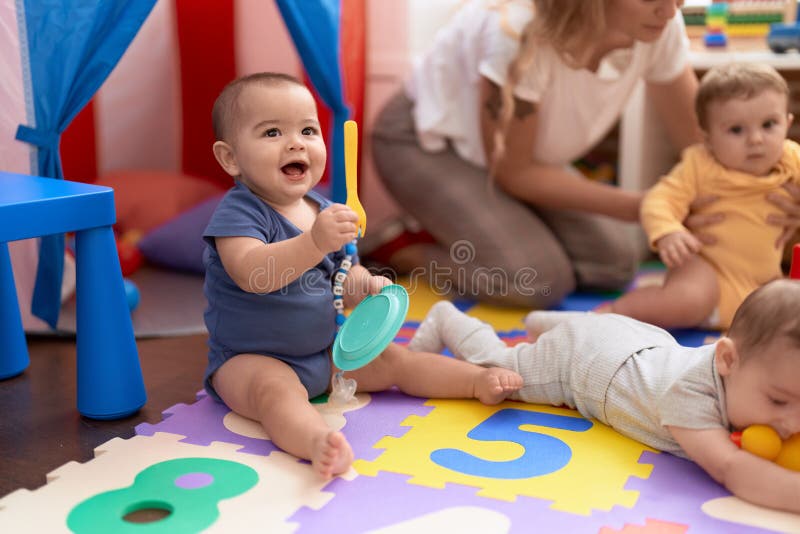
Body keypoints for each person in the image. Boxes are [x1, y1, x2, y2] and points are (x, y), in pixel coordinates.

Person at [202, 72, 523, 479]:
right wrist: (315, 243)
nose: (296, 142)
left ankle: (478, 379)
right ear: (230, 158)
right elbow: (254, 275)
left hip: (326, 352)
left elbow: (338, 279)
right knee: (275, 396)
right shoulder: (239, 214)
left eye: (307, 129)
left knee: (395, 360)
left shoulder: (321, 210)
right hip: (254, 359)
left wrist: (365, 285)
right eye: (271, 132)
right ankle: (317, 442)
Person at [371, 0, 704, 307]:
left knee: (613, 265)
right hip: (424, 140)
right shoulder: (520, 33)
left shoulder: (660, 27)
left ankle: (485, 229)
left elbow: (698, 145)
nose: (670, 12)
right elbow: (514, 173)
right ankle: (407, 250)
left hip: (515, 157)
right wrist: (639, 206)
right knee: (537, 281)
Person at [409, 279, 800, 513]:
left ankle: (541, 323)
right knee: (501, 365)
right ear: (727, 360)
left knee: (596, 329)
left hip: (636, 338)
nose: (793, 422)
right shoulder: (692, 396)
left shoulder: (760, 372)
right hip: (586, 365)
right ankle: (449, 320)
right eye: (779, 401)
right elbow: (730, 468)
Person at [531, 63, 800, 332]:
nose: (756, 139)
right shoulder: (701, 165)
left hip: (760, 280)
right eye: (736, 130)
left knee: (782, 310)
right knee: (690, 299)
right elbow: (660, 200)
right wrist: (669, 232)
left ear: (787, 123)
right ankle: (601, 319)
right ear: (707, 138)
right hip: (704, 267)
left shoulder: (791, 159)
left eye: (769, 125)